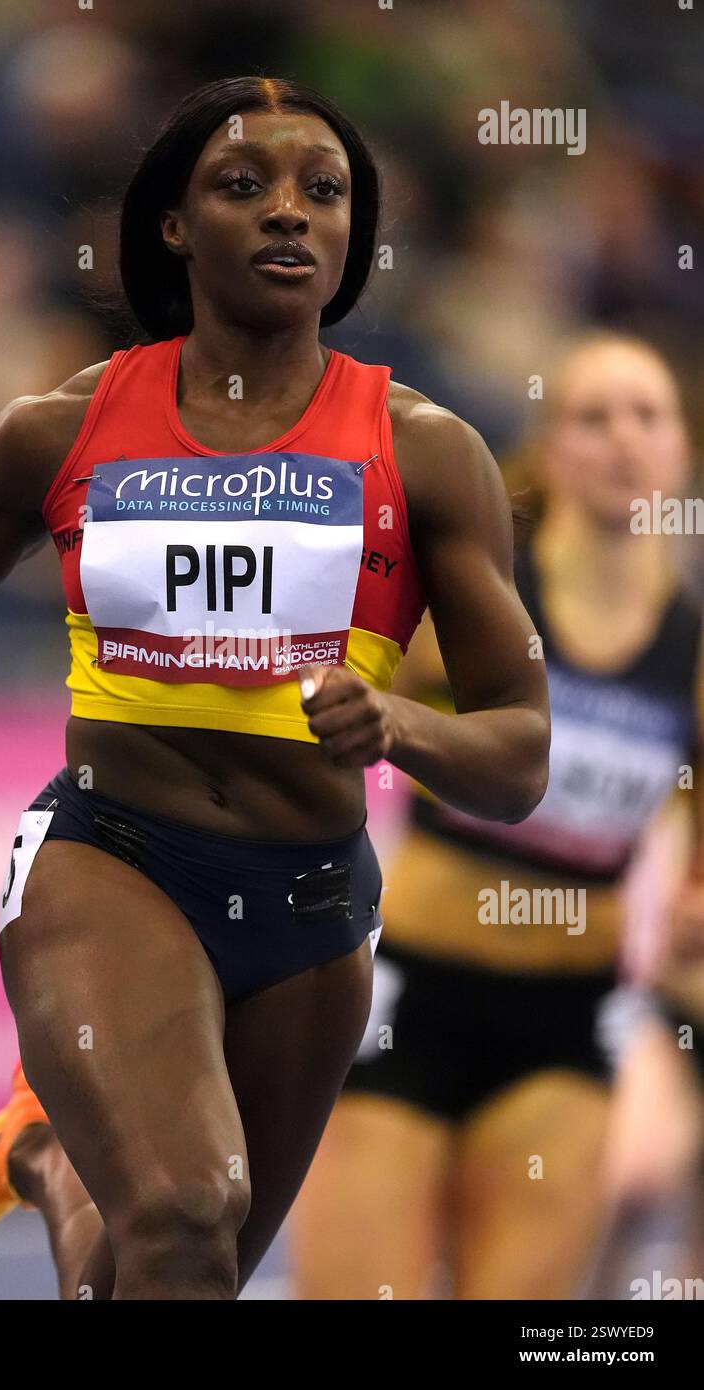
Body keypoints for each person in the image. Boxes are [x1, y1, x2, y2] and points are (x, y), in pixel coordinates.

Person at [0, 74, 549, 1301]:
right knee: (188, 1217)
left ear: (353, 237)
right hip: (113, 858)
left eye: (324, 192)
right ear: (176, 227)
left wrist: (399, 721)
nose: (290, 213)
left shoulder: (428, 450)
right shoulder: (62, 426)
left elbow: (519, 760)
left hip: (310, 906)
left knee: (171, 1271)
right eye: (245, 187)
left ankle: (41, 1154)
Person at [291, 332, 704, 1299]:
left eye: (648, 417)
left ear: (681, 449)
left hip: (566, 1028)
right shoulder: (481, 600)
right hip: (409, 1004)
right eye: (593, 419)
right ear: (552, 447)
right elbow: (326, 701)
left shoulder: (689, 651)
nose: (623, 442)